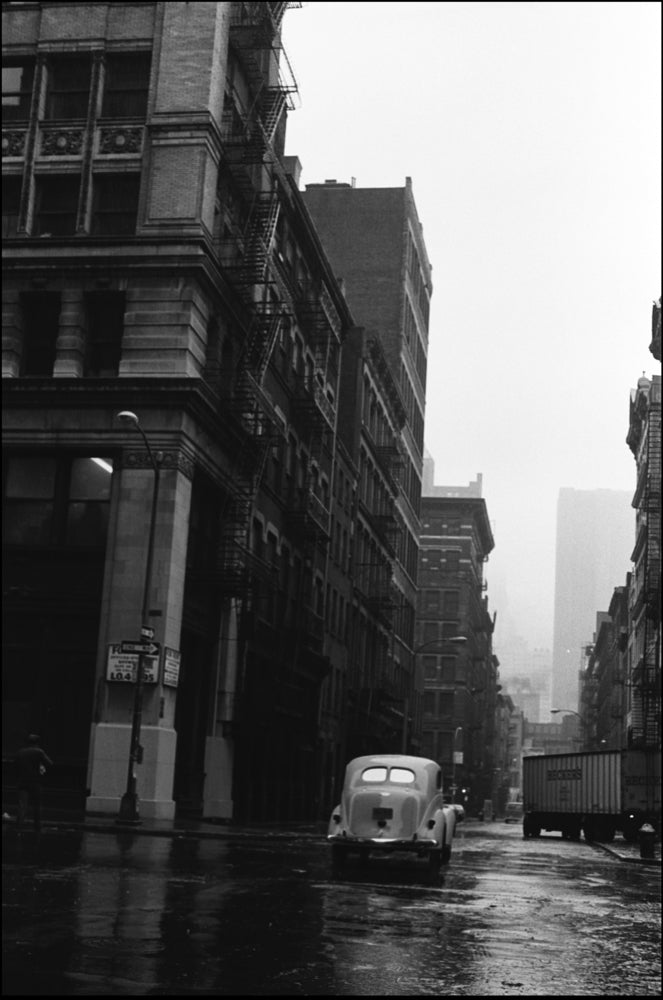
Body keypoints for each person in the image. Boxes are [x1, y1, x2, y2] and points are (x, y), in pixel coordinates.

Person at [15, 734, 53, 833]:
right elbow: (49, 764)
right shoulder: (39, 752)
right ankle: (37, 827)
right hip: (35, 782)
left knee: (22, 806)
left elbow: (15, 766)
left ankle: (19, 827)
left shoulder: (20, 752)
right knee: (37, 806)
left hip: (22, 782)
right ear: (37, 743)